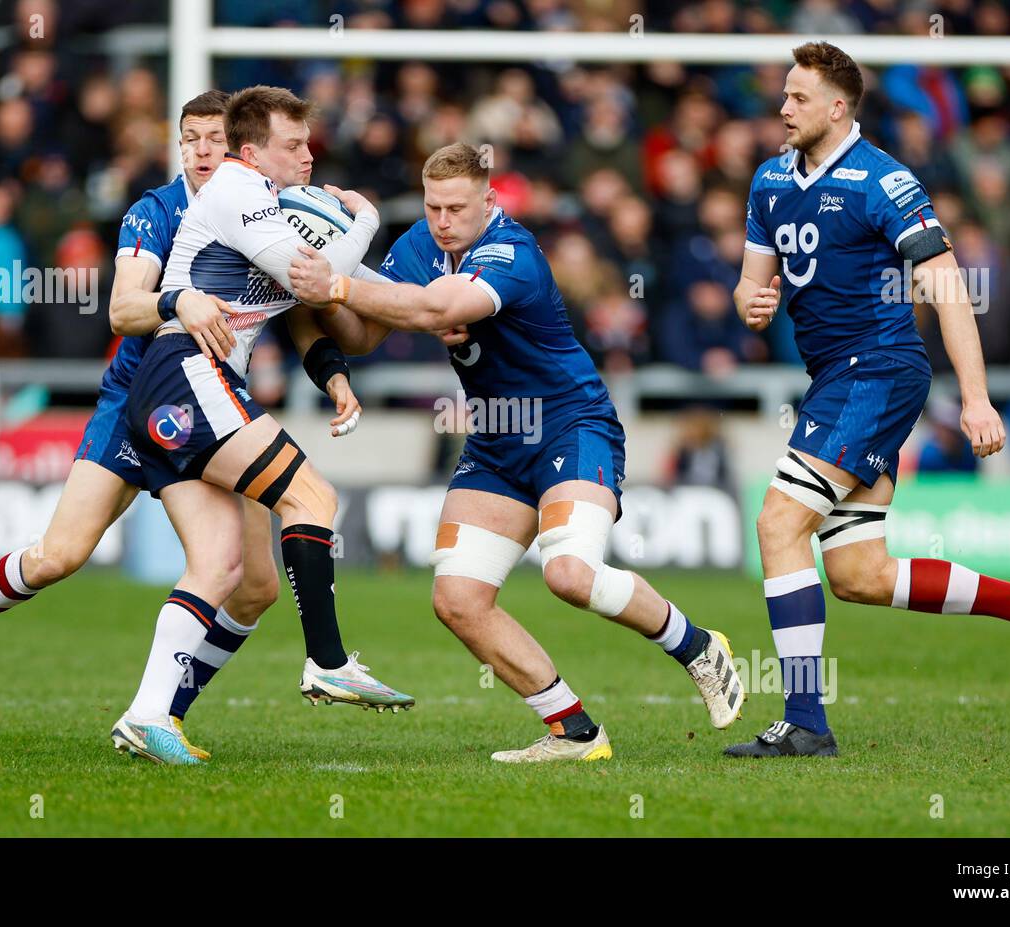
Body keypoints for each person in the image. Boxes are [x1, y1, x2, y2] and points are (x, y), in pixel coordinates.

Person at [0, 90, 407, 764]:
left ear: (238, 147)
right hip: (145, 394)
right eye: (188, 138)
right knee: (59, 555)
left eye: (212, 137)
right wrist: (176, 298)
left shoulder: (269, 206)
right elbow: (123, 309)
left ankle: (159, 715)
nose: (199, 149)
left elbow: (299, 309)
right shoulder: (155, 211)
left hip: (212, 400)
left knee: (249, 583)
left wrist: (333, 374)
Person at [289, 142, 745, 764]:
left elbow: (437, 306)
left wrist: (339, 282)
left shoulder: (513, 251)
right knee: (457, 600)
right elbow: (366, 335)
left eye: (457, 207)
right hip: (497, 438)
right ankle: (574, 732)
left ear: (490, 201)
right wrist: (316, 295)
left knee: (569, 575)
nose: (443, 220)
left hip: (571, 425)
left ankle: (694, 645)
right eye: (432, 207)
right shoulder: (419, 246)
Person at [728, 42, 1010, 759]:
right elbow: (751, 280)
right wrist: (753, 302)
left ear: (837, 107)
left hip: (879, 371)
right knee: (860, 575)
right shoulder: (770, 181)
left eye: (798, 97)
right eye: (783, 94)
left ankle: (806, 722)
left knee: (778, 524)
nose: (782, 107)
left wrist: (977, 397)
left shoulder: (882, 182)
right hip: (832, 377)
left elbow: (948, 286)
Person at [111, 85, 413, 764]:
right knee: (313, 498)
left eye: (309, 143)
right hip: (186, 372)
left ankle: (149, 714)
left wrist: (433, 309)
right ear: (252, 152)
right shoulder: (239, 188)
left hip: (188, 384)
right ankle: (328, 662)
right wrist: (362, 220)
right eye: (293, 144)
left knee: (230, 573)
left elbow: (350, 291)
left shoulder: (270, 206)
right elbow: (312, 281)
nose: (308, 156)